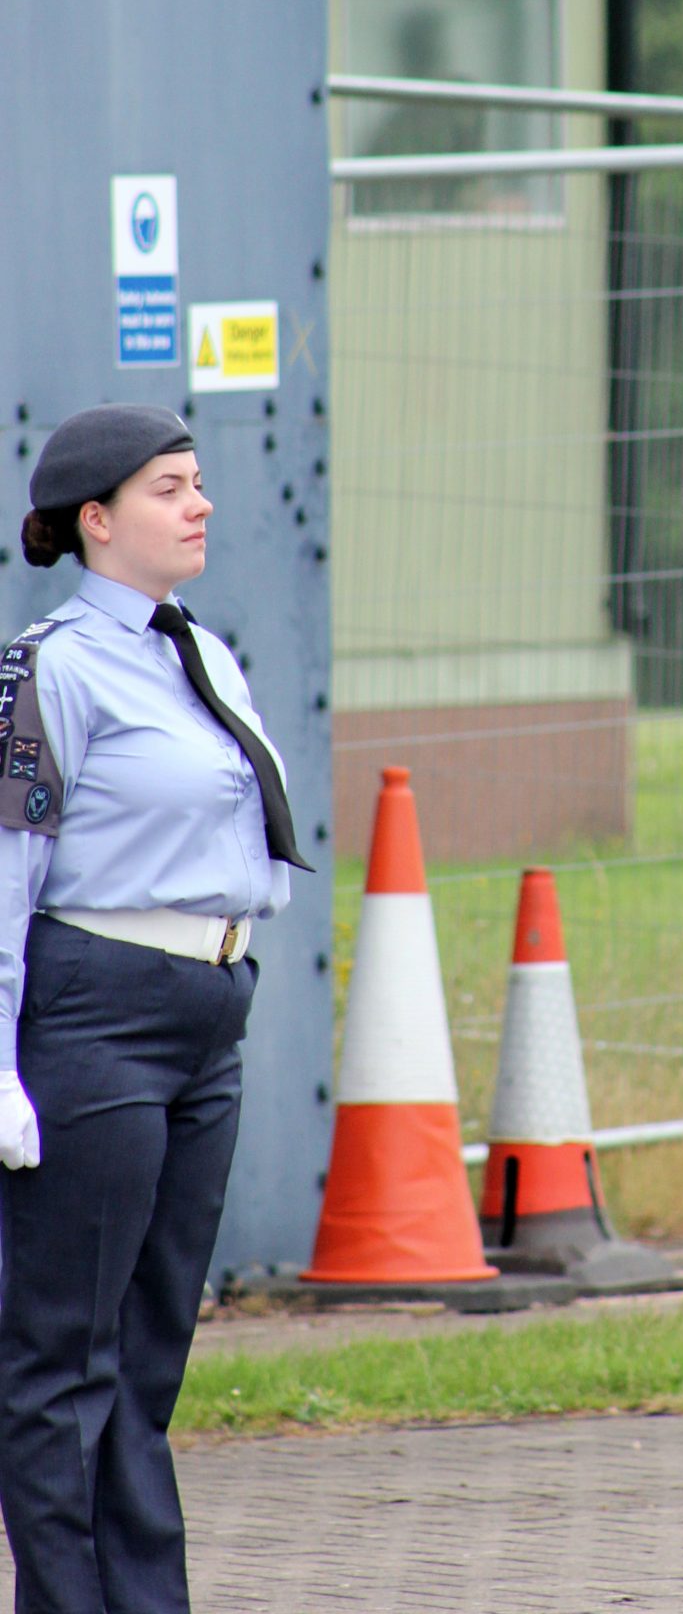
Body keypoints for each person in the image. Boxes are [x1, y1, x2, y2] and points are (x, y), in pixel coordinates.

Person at [0, 403, 306, 1614]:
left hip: (206, 1012)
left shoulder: (201, 651)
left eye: (198, 481)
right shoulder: (52, 668)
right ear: (96, 519)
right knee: (63, 1347)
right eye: (169, 487)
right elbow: (8, 875)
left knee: (149, 1346)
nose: (200, 503)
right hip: (99, 1010)